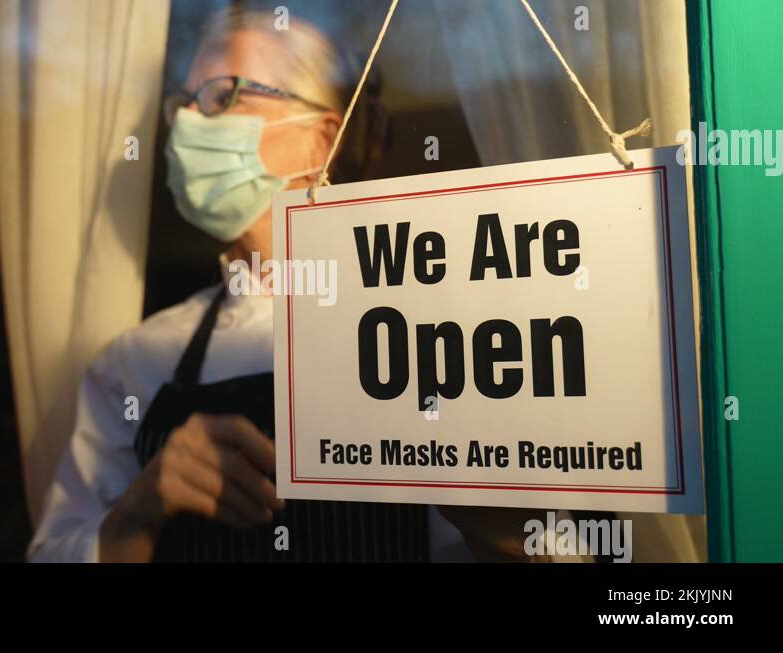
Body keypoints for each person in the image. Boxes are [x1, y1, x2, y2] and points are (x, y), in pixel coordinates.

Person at [29, 7, 515, 563]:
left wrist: (510, 528)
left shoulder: (439, 335)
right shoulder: (136, 360)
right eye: (183, 102)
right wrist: (141, 508)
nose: (187, 122)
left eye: (222, 95)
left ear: (319, 142)